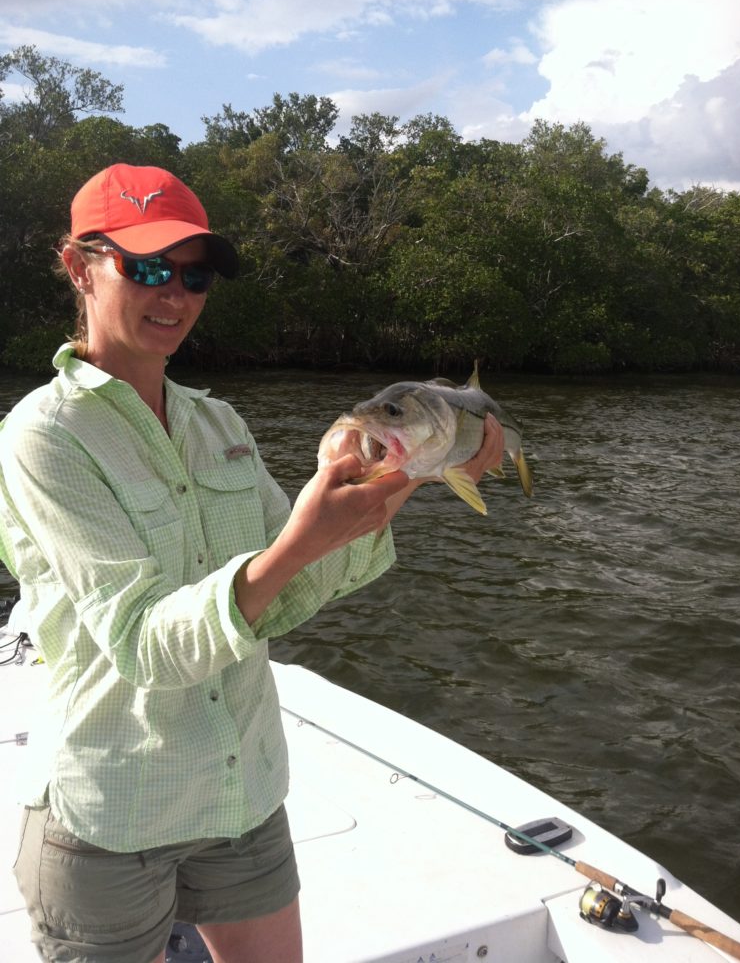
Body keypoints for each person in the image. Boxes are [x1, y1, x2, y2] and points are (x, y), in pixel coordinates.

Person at [0, 164, 505, 963]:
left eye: (194, 275)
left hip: (240, 791)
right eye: (148, 267)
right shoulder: (43, 438)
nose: (175, 295)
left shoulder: (217, 421)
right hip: (110, 813)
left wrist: (408, 466)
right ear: (77, 266)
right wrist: (301, 535)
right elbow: (142, 648)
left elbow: (293, 593)